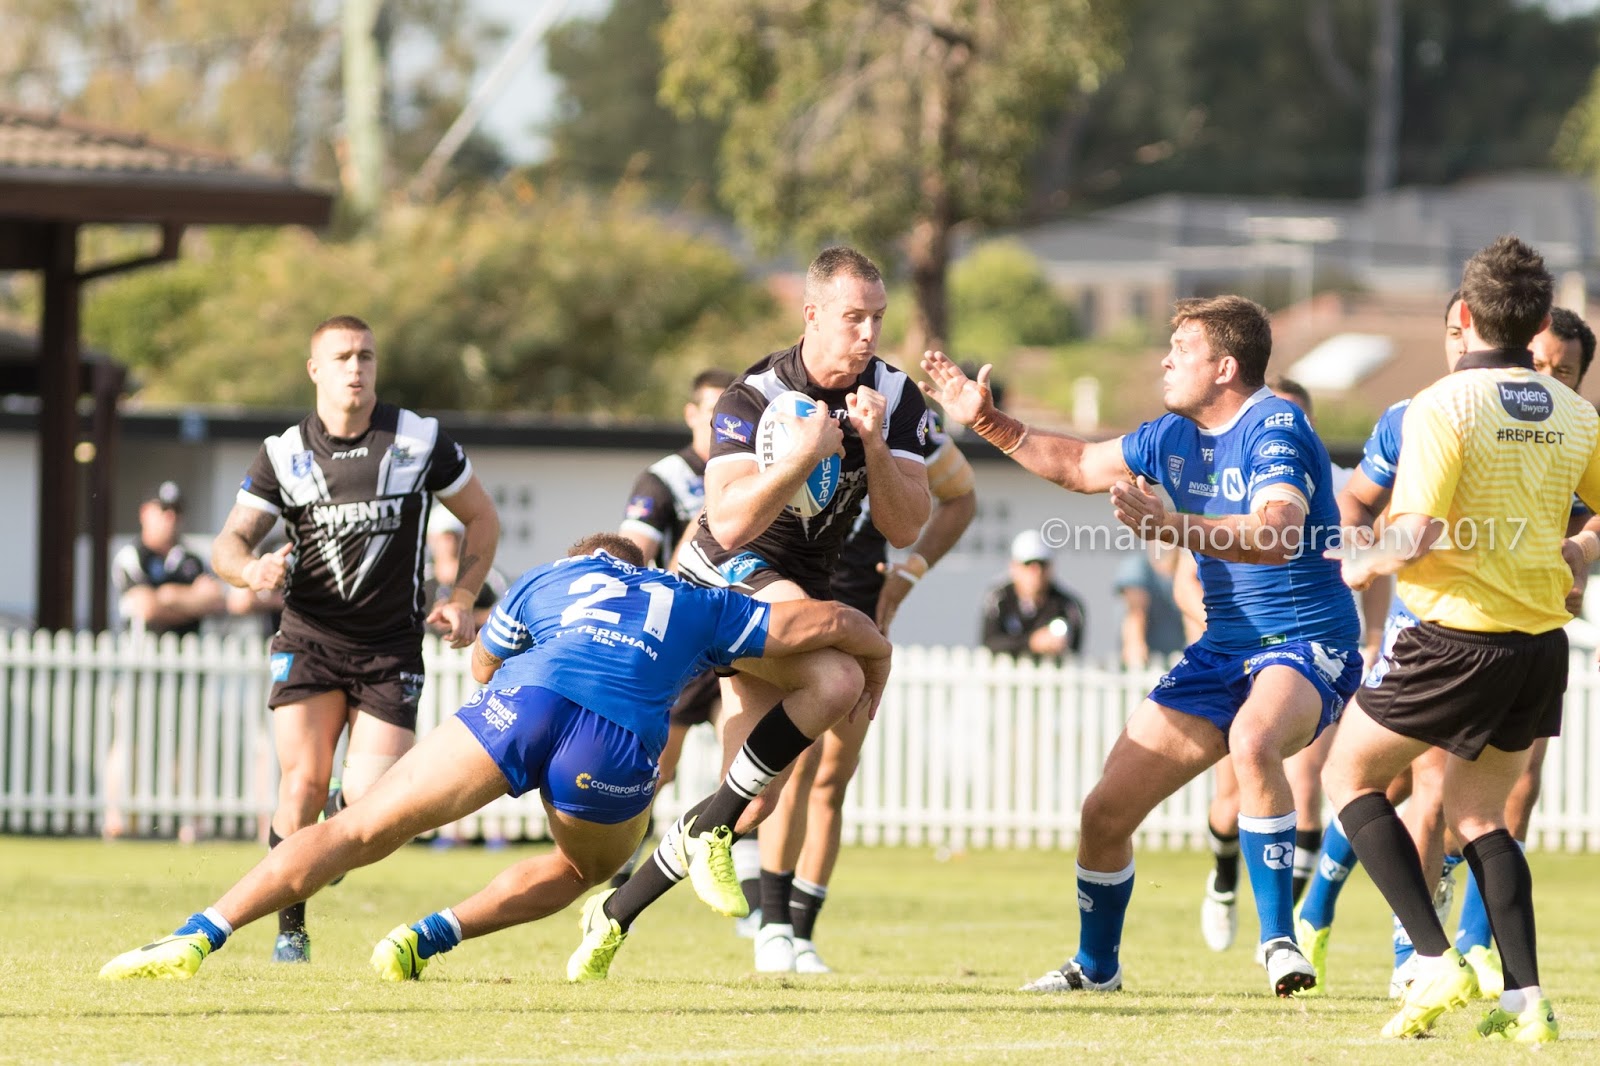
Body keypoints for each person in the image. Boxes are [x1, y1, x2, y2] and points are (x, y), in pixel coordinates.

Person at [96, 534, 893, 983]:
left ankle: (198, 933)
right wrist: (876, 657)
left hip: (525, 703)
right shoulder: (692, 598)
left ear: (586, 557)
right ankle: (430, 937)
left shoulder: (551, 577)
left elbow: (483, 663)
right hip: (611, 742)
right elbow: (819, 625)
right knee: (581, 872)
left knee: (360, 827)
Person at [923, 294, 1362, 998]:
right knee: (1105, 813)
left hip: (1308, 642)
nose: (1164, 359)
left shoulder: (1276, 423)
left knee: (1253, 740)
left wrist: (1173, 525)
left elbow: (1278, 534)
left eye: (1180, 348)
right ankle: (1097, 967)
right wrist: (985, 419)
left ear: (1224, 367)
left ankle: (1280, 942)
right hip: (1225, 650)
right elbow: (1075, 463)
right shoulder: (1170, 435)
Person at [565, 245, 934, 982]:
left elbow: (906, 525)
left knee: (750, 807)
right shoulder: (753, 396)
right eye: (853, 319)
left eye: (878, 319)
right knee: (833, 682)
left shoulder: (894, 398)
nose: (868, 335)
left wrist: (871, 443)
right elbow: (727, 522)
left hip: (796, 588)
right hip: (721, 576)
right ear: (812, 316)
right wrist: (801, 458)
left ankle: (614, 914)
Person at [1321, 236, 1599, 1042]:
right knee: (1483, 819)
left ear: (1468, 316)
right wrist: (1578, 550)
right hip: (1538, 644)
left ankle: (1435, 958)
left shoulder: (1442, 404)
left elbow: (1415, 528)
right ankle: (1526, 1000)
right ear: (1541, 321)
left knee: (1348, 774)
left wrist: (1364, 562)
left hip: (1453, 636)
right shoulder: (1576, 411)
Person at [208, 314, 501, 964]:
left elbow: (482, 517)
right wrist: (249, 569)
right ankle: (291, 930)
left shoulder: (418, 439)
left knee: (372, 804)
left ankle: (328, 838)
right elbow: (227, 542)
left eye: (365, 356)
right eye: (341, 356)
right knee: (303, 784)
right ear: (315, 369)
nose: (355, 368)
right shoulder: (284, 452)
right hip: (310, 639)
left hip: (390, 648)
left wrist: (459, 598)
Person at [749, 414, 976, 972]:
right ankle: (772, 924)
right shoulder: (798, 421)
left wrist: (911, 571)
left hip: (863, 618)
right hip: (797, 613)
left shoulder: (908, 435)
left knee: (832, 779)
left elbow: (962, 498)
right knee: (794, 769)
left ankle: (802, 933)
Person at [1198, 377, 1384, 953]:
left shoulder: (1329, 485)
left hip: (1310, 653)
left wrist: (1373, 635)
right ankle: (1224, 877)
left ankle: (1291, 922)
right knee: (1231, 797)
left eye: (1291, 420)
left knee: (1304, 785)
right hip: (1238, 651)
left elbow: (1371, 556)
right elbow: (1186, 575)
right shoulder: (1225, 476)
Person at [103, 481, 230, 840]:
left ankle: (189, 821)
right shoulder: (132, 555)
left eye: (176, 512)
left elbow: (214, 600)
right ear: (146, 513)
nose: (170, 519)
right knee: (129, 740)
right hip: (140, 668)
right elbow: (144, 606)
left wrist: (169, 598)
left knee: (187, 744)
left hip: (186, 671)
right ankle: (117, 817)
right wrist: (181, 598)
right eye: (163, 510)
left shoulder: (190, 559)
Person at [979, 530, 1087, 658]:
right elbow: (990, 642)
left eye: (1042, 564)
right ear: (1014, 566)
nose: (1036, 571)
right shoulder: (999, 598)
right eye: (1028, 564)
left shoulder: (1067, 605)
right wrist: (1031, 642)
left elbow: (1074, 648)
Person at [425, 504, 509, 628]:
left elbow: (509, 613)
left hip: (472, 646)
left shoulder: (488, 577)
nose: (450, 543)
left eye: (455, 537)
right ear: (431, 539)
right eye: (445, 538)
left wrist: (466, 616)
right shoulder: (420, 578)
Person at [1115, 542, 1186, 670]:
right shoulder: (1136, 565)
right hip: (1146, 664)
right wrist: (1135, 651)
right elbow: (1136, 612)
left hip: (1178, 664)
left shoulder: (1189, 570)